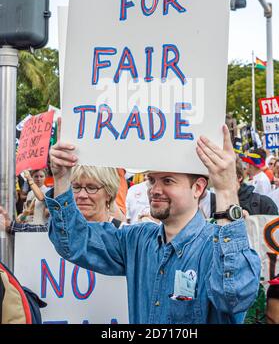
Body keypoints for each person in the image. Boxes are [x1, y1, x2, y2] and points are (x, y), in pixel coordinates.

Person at [46, 125, 261, 324]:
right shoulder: (137, 240)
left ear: (197, 188)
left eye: (167, 181)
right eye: (151, 180)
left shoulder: (215, 246)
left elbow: (234, 297)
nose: (154, 190)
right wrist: (62, 179)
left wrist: (226, 191)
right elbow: (74, 242)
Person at [0, 165, 125, 234]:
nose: (82, 195)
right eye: (76, 187)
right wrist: (9, 225)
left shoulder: (122, 233)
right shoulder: (62, 230)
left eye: (91, 188)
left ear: (109, 193)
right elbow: (39, 230)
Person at [208, 156, 278, 217]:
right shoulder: (211, 206)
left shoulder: (265, 204)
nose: (221, 180)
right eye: (216, 175)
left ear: (239, 177)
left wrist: (250, 221)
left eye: (226, 175)